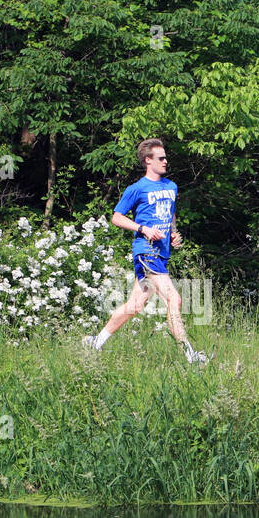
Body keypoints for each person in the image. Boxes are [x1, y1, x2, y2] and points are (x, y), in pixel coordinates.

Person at [82, 138, 209, 364]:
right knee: (174, 299)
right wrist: (143, 229)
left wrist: (173, 233)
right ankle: (191, 357)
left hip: (161, 253)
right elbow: (117, 218)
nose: (165, 161)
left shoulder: (171, 186)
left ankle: (96, 342)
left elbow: (170, 214)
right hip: (146, 251)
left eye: (165, 157)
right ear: (148, 161)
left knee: (135, 305)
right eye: (160, 158)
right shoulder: (136, 189)